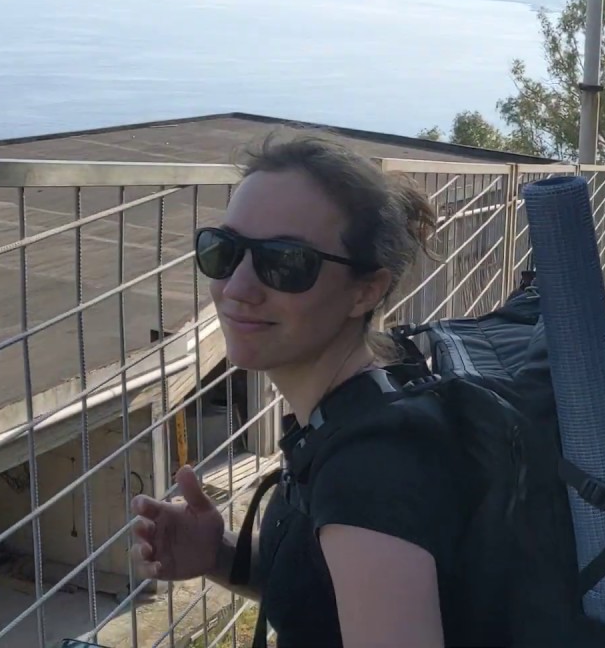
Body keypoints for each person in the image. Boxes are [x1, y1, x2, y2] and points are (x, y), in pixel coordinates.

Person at [129, 134, 465, 648]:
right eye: (224, 250)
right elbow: (331, 597)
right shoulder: (357, 407)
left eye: (285, 261)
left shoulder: (370, 474)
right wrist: (220, 554)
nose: (236, 287)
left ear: (365, 291)